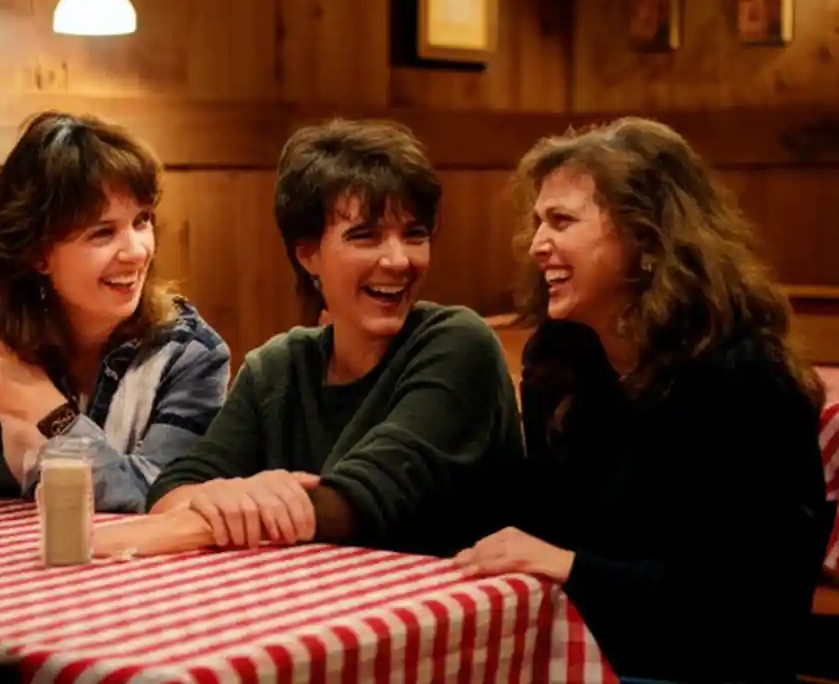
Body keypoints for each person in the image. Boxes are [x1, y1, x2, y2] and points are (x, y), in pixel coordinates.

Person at [453, 117, 833, 683]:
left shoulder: (746, 381)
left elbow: (751, 603)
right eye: (537, 222)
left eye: (561, 221)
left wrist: (571, 568)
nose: (536, 246)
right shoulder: (561, 358)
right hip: (572, 651)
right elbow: (540, 519)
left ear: (648, 241)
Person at [92, 118, 523, 558]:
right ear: (308, 253)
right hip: (319, 611)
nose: (398, 260)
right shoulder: (278, 367)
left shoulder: (458, 344)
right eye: (365, 236)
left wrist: (176, 529)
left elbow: (364, 499)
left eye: (414, 235)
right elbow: (178, 484)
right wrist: (218, 498)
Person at [0, 111, 230, 514]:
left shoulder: (192, 355)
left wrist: (49, 413)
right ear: (38, 254)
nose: (136, 251)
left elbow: (161, 498)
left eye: (142, 221)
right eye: (102, 232)